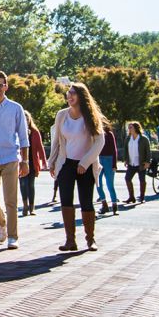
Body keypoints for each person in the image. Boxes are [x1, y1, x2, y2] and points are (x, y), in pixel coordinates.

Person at [48, 82, 105, 251]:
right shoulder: (61, 115)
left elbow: (100, 141)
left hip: (85, 166)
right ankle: (70, 241)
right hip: (66, 163)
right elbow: (56, 140)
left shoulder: (91, 116)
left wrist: (85, 162)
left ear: (81, 96)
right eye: (68, 93)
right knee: (65, 200)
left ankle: (90, 239)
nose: (69, 96)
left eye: (73, 93)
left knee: (86, 201)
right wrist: (52, 162)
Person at [0, 71, 29, 248]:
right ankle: (2, 222)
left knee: (11, 200)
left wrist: (25, 161)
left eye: (0, 85)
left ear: (6, 86)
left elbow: (23, 137)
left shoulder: (16, 108)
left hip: (11, 158)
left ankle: (13, 236)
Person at [20, 109, 47, 216]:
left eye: (27, 118)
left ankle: (32, 207)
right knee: (23, 184)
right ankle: (25, 206)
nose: (26, 120)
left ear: (30, 119)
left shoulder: (35, 132)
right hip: (21, 163)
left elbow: (40, 148)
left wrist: (44, 161)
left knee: (31, 185)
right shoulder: (18, 131)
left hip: (32, 163)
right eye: (24, 118)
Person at [124, 120, 151, 205]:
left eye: (131, 127)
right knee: (127, 178)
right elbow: (126, 150)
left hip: (141, 163)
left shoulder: (143, 139)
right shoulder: (128, 139)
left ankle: (142, 197)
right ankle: (131, 197)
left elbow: (148, 151)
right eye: (129, 127)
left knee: (142, 180)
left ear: (136, 128)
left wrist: (147, 162)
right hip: (131, 163)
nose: (129, 129)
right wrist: (126, 160)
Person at [97, 119, 120, 216]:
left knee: (110, 184)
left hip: (108, 160)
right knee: (98, 183)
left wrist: (114, 164)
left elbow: (114, 150)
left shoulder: (109, 134)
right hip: (98, 159)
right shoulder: (95, 133)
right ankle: (104, 204)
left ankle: (114, 206)